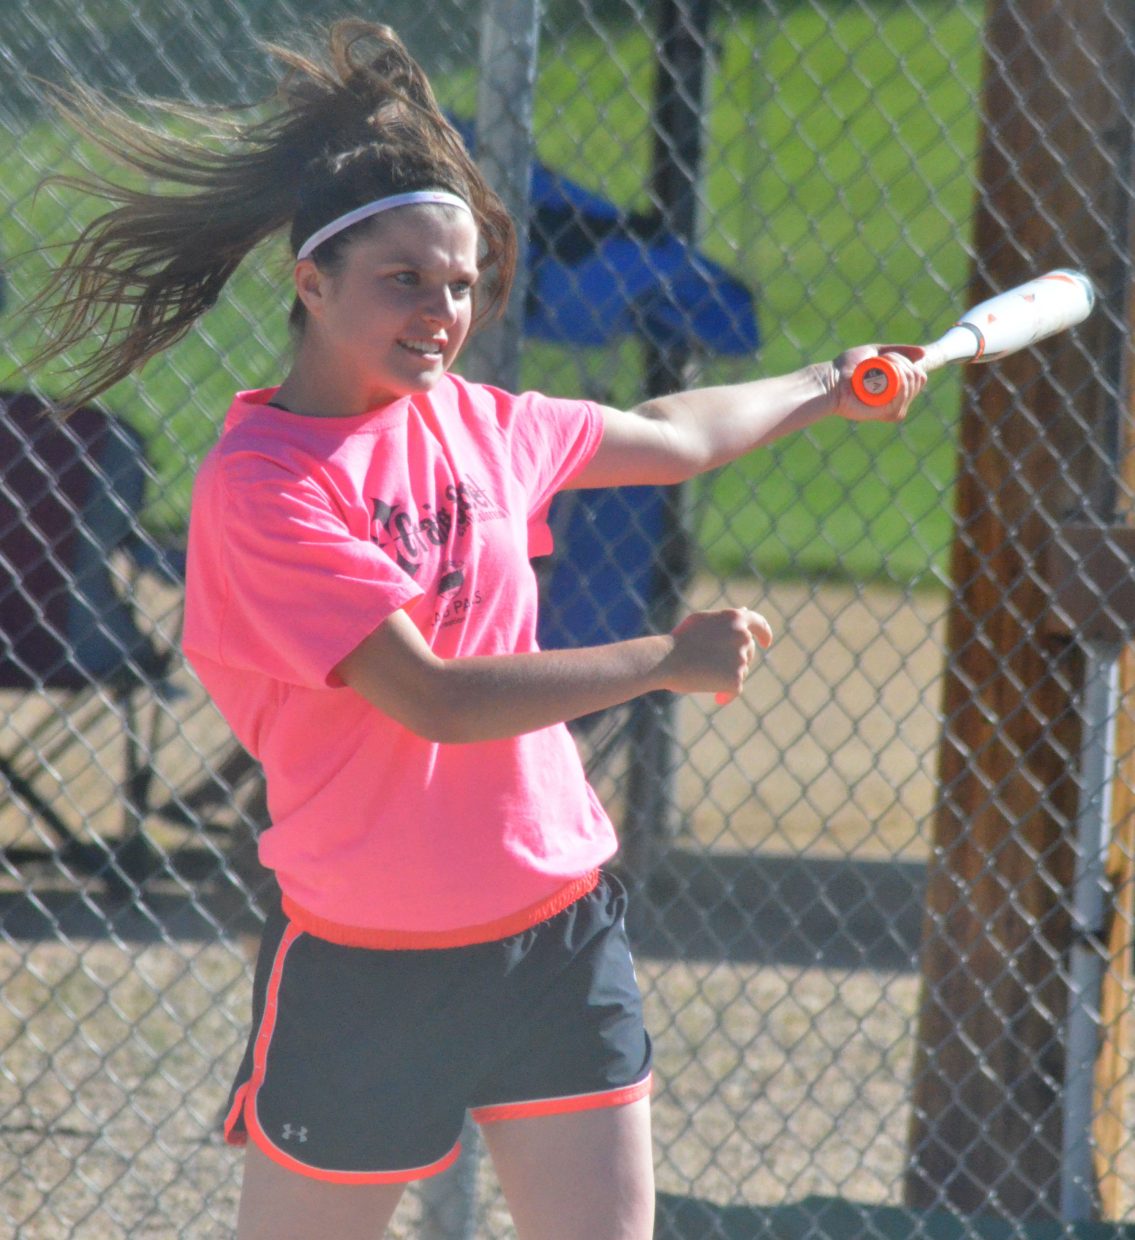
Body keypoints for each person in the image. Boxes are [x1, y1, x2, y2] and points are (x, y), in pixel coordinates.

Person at [25, 19, 925, 1240]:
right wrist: (665, 659)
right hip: (367, 959)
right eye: (403, 280)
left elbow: (675, 436)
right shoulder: (266, 485)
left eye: (459, 285)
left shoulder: (477, 421)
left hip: (555, 932)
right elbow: (436, 697)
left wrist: (829, 383)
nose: (441, 313)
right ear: (311, 282)